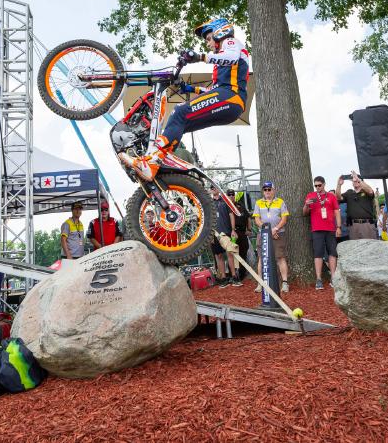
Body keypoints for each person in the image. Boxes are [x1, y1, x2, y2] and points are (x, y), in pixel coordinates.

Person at [119, 17, 249, 181]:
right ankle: (156, 163)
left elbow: (230, 58)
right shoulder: (223, 62)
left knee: (179, 111)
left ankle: (151, 160)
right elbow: (213, 90)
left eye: (209, 39)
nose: (208, 44)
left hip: (231, 97)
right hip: (228, 100)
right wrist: (189, 88)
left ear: (220, 32)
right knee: (181, 122)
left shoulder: (231, 43)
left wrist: (200, 57)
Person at [302, 175, 341, 289]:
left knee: (332, 253)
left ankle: (333, 277)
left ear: (324, 184)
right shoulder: (311, 196)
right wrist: (306, 205)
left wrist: (338, 227)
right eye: (316, 186)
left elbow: (337, 212)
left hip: (330, 229)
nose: (317, 187)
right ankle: (318, 279)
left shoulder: (331, 196)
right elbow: (304, 213)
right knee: (318, 253)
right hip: (317, 229)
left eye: (319, 185)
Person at [252, 181, 290, 293]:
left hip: (278, 233)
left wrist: (275, 229)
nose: (267, 192)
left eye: (269, 189)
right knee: (261, 258)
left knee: (280, 257)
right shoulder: (258, 203)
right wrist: (267, 230)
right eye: (265, 190)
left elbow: (284, 219)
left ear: (274, 190)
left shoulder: (280, 202)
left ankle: (285, 283)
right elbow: (257, 219)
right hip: (263, 233)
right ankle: (260, 283)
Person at [211, 185, 241, 287]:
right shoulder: (208, 203)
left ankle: (234, 277)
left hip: (227, 232)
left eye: (215, 187)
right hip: (215, 233)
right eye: (211, 188)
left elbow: (231, 215)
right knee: (219, 256)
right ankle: (223, 277)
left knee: (230, 254)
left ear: (218, 189)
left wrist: (233, 230)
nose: (213, 189)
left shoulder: (225, 201)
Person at [336, 171, 378, 240]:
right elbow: (338, 197)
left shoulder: (366, 191)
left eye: (357, 180)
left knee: (370, 248)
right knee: (355, 249)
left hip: (366, 225)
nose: (355, 181)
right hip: (353, 226)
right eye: (353, 181)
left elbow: (370, 191)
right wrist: (339, 185)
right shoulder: (349, 193)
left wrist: (358, 179)